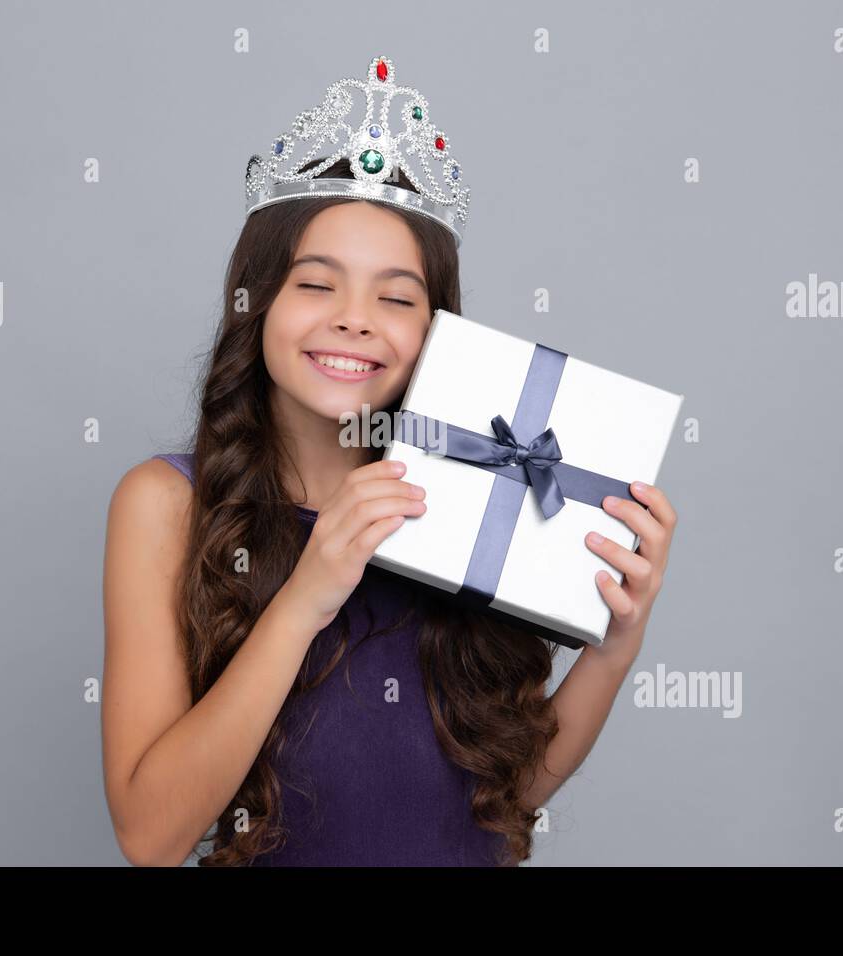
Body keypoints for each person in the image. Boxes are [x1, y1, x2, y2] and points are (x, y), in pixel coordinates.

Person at [100, 54, 677, 866]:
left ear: (438, 331)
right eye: (316, 284)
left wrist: (616, 646)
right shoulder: (167, 503)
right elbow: (149, 835)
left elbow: (499, 803)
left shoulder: (477, 499)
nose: (356, 320)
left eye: (397, 297)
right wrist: (305, 598)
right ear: (258, 300)